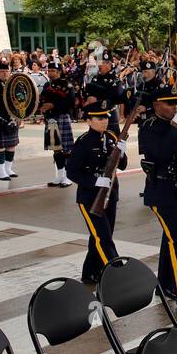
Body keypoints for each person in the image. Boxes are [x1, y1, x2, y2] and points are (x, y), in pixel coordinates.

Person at [138, 84, 177, 312]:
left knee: (170, 239)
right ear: (156, 105)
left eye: (176, 103)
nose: (174, 106)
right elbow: (159, 154)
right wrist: (175, 129)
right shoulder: (149, 126)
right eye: (169, 103)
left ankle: (164, 285)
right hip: (161, 192)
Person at [66, 101, 127, 284]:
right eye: (99, 118)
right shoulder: (83, 142)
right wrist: (94, 181)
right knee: (104, 237)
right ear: (88, 121)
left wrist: (122, 153)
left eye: (106, 117)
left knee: (100, 236)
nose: (104, 121)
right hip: (90, 198)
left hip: (110, 195)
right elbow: (72, 172)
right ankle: (116, 272)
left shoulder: (111, 137)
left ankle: (89, 272)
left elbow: (121, 166)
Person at [39, 60, 75, 187]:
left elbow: (71, 101)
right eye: (49, 71)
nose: (50, 73)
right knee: (56, 149)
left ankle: (68, 177)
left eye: (53, 71)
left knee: (66, 150)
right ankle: (60, 176)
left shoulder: (67, 84)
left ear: (59, 72)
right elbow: (41, 100)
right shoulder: (47, 86)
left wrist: (53, 105)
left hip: (62, 117)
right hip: (50, 119)